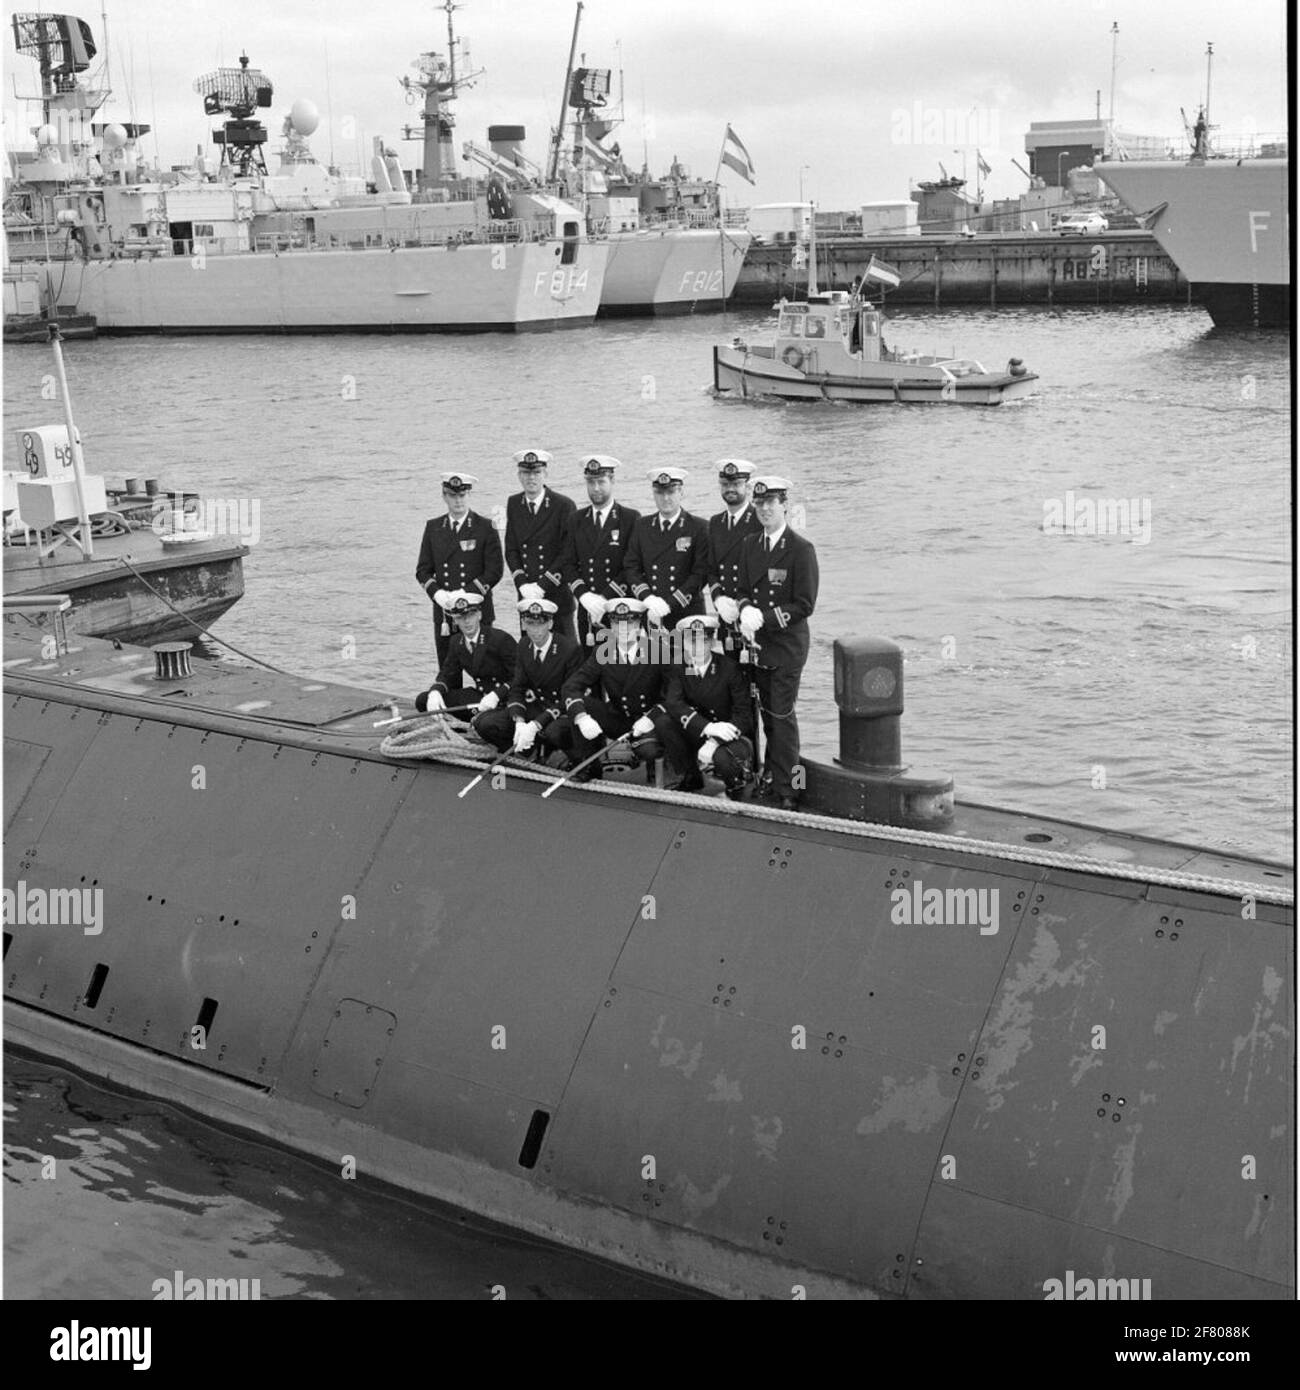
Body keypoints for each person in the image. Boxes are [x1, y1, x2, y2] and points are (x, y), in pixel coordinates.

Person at [731, 476, 819, 810]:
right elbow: (741, 589)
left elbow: (805, 604)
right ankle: (771, 777)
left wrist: (764, 618)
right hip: (757, 647)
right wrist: (744, 608)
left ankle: (791, 788)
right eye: (760, 504)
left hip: (786, 648)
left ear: (784, 505)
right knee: (767, 717)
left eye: (771, 503)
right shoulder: (750, 545)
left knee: (783, 718)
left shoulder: (800, 549)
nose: (765, 509)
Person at [561, 597, 686, 784]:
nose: (624, 629)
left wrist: (652, 717)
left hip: (650, 719)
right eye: (617, 624)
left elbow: (675, 693)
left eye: (630, 623)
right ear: (610, 626)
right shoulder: (603, 652)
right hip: (619, 716)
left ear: (638, 625)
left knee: (649, 749)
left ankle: (660, 764)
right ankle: (589, 765)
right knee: (581, 706)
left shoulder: (658, 651)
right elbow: (571, 687)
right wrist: (582, 717)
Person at [475, 597, 582, 764]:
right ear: (524, 625)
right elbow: (517, 688)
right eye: (530, 624)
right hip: (535, 706)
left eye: (540, 624)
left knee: (555, 732)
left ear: (550, 624)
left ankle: (559, 754)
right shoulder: (524, 645)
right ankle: (524, 752)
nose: (536, 630)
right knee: (485, 723)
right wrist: (519, 721)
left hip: (559, 710)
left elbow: (570, 695)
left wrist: (536, 725)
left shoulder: (569, 649)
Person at [414, 472, 504, 665]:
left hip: (477, 609)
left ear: (469, 495)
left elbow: (495, 570)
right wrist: (438, 595)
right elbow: (423, 570)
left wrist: (465, 593)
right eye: (452, 496)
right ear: (444, 496)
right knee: (448, 670)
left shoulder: (486, 527)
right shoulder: (433, 527)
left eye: (462, 495)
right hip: (445, 612)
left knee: (486, 668)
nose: (458, 501)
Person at [663, 614, 755, 798]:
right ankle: (691, 776)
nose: (697, 647)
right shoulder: (679, 667)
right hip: (701, 729)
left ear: (712, 642)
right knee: (664, 722)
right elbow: (673, 703)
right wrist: (707, 727)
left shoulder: (730, 668)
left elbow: (744, 716)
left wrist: (715, 741)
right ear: (684, 643)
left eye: (703, 641)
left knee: (723, 757)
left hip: (730, 734)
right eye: (691, 641)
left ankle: (735, 785)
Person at [415, 591, 518, 745]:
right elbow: (448, 673)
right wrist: (435, 691)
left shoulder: (500, 639)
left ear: (479, 615)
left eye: (470, 615)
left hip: (505, 701)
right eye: (460, 617)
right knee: (423, 701)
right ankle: (460, 732)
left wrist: (497, 695)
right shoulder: (457, 642)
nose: (466, 621)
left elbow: (521, 677)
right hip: (480, 698)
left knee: (486, 725)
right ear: (455, 620)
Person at [562, 454, 641, 649]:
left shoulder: (630, 518)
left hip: (620, 608)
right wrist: (584, 596)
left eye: (601, 481)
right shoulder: (576, 520)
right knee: (591, 665)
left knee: (623, 667)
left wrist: (603, 599)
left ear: (612, 481)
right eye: (591, 482)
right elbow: (568, 564)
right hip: (587, 609)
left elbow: (632, 566)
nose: (596, 488)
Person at [505, 448, 577, 644]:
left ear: (545, 474)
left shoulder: (563, 505)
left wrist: (543, 584)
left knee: (568, 655)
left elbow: (568, 552)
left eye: (536, 472)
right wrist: (522, 584)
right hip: (527, 595)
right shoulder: (513, 503)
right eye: (526, 473)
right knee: (531, 655)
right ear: (519, 475)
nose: (531, 478)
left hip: (557, 594)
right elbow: (511, 549)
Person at [622, 467, 709, 631]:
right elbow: (631, 567)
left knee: (690, 657)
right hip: (652, 611)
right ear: (653, 494)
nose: (666, 498)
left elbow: (700, 574)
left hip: (688, 612)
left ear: (681, 492)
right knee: (657, 657)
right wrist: (647, 597)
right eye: (660, 493)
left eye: (671, 492)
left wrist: (669, 604)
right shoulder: (642, 526)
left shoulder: (699, 527)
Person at [705, 458, 762, 656]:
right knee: (731, 678)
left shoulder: (759, 520)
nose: (731, 489)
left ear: (747, 486)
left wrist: (747, 608)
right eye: (725, 484)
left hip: (752, 616)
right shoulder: (715, 523)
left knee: (756, 682)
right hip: (726, 616)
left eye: (736, 484)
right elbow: (711, 569)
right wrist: (718, 598)